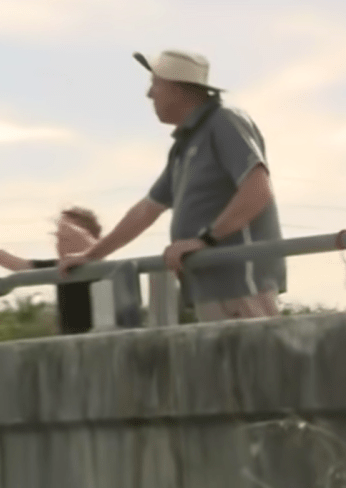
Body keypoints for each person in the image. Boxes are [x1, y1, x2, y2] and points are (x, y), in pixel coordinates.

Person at [60, 49, 286, 322]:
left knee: (255, 365)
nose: (149, 94)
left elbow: (257, 190)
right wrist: (91, 255)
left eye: (155, 84)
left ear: (178, 89)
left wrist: (205, 240)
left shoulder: (224, 121)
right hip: (211, 289)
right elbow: (146, 209)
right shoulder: (185, 144)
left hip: (241, 287)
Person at [0, 207, 108, 334]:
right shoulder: (58, 267)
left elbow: (94, 248)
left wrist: (76, 234)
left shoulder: (101, 266)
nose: (59, 242)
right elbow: (17, 265)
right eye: (58, 237)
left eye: (66, 236)